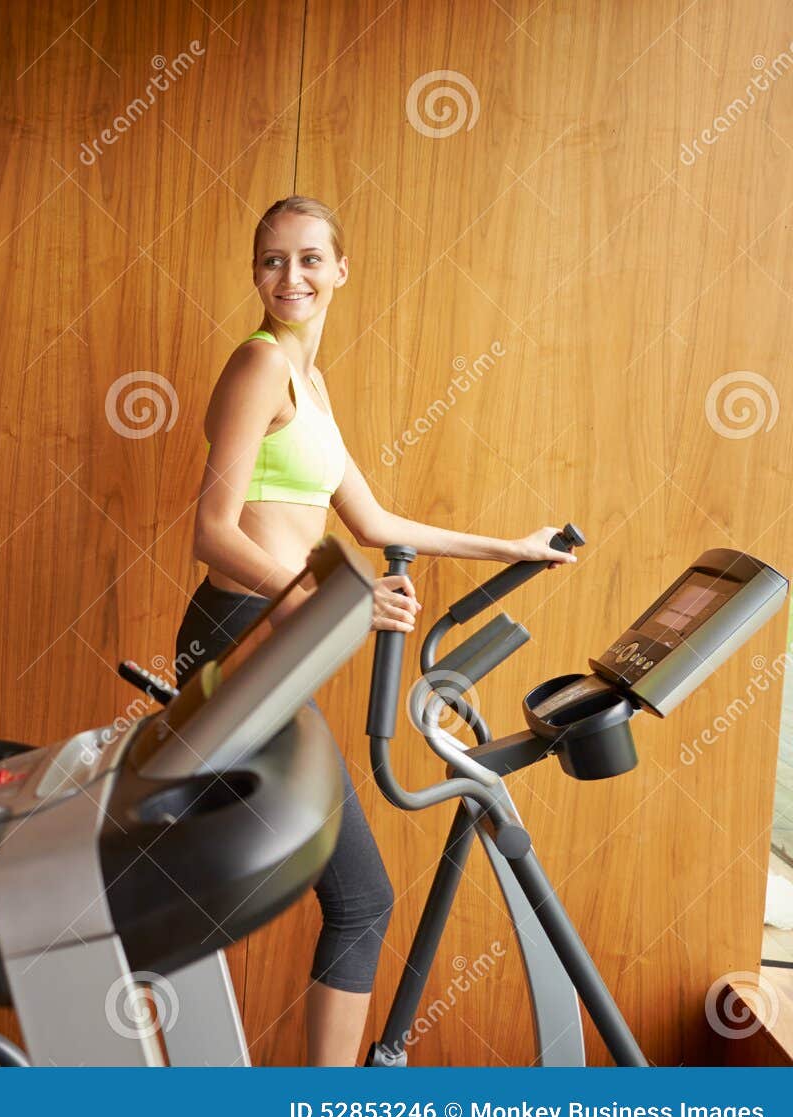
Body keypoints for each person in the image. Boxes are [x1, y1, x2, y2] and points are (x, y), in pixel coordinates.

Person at [174, 195, 575, 1065]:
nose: (292, 277)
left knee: (319, 894)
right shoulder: (257, 368)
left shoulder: (308, 384)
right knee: (354, 897)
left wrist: (513, 546)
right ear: (254, 274)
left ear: (341, 269)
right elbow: (212, 531)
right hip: (235, 643)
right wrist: (341, 604)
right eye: (274, 261)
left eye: (311, 258)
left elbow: (374, 522)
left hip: (277, 638)